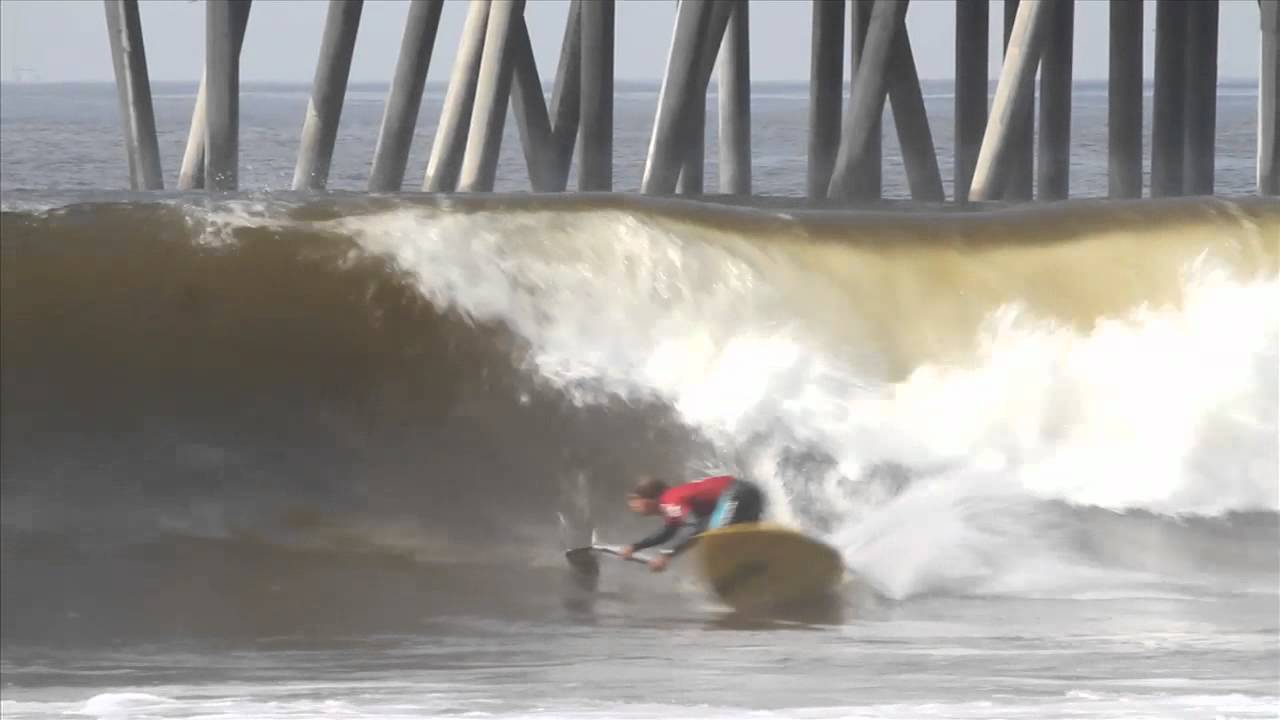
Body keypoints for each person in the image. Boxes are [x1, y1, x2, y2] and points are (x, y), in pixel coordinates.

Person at [620, 473, 764, 572]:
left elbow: (691, 527)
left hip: (737, 494)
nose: (633, 506)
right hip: (751, 495)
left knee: (713, 534)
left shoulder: (669, 499)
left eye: (636, 500)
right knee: (719, 534)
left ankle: (747, 566)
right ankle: (756, 566)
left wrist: (666, 555)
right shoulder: (673, 503)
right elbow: (668, 532)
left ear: (650, 498)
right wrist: (635, 547)